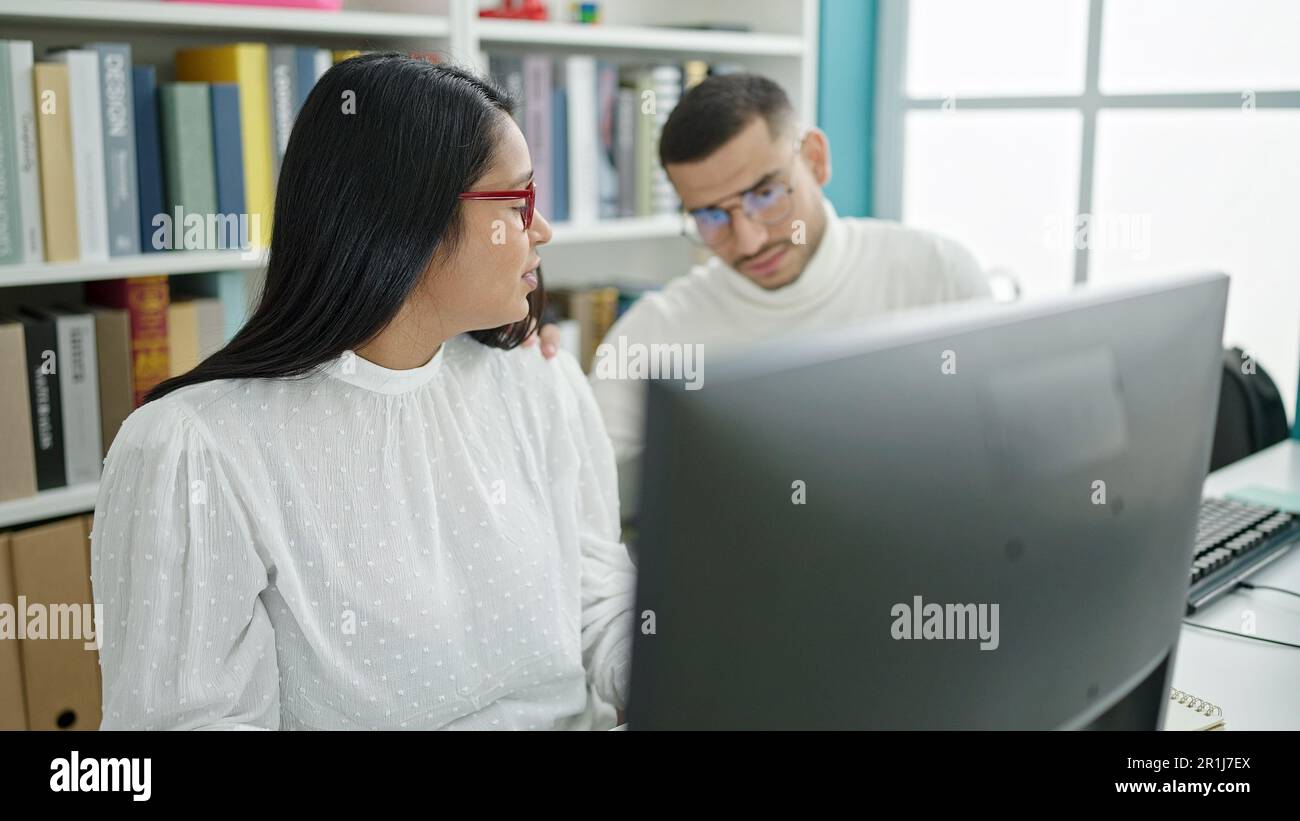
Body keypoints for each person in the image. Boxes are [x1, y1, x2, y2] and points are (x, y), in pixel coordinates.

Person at [90, 55, 634, 730]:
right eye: (518, 202)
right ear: (409, 220)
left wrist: (691, 668)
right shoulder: (195, 449)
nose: (541, 229)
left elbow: (597, 601)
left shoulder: (539, 378)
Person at [529, 73, 992, 504]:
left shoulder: (937, 272)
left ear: (814, 158)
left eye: (765, 196)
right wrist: (529, 384)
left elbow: (999, 457)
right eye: (711, 216)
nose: (748, 241)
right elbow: (578, 494)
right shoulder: (653, 332)